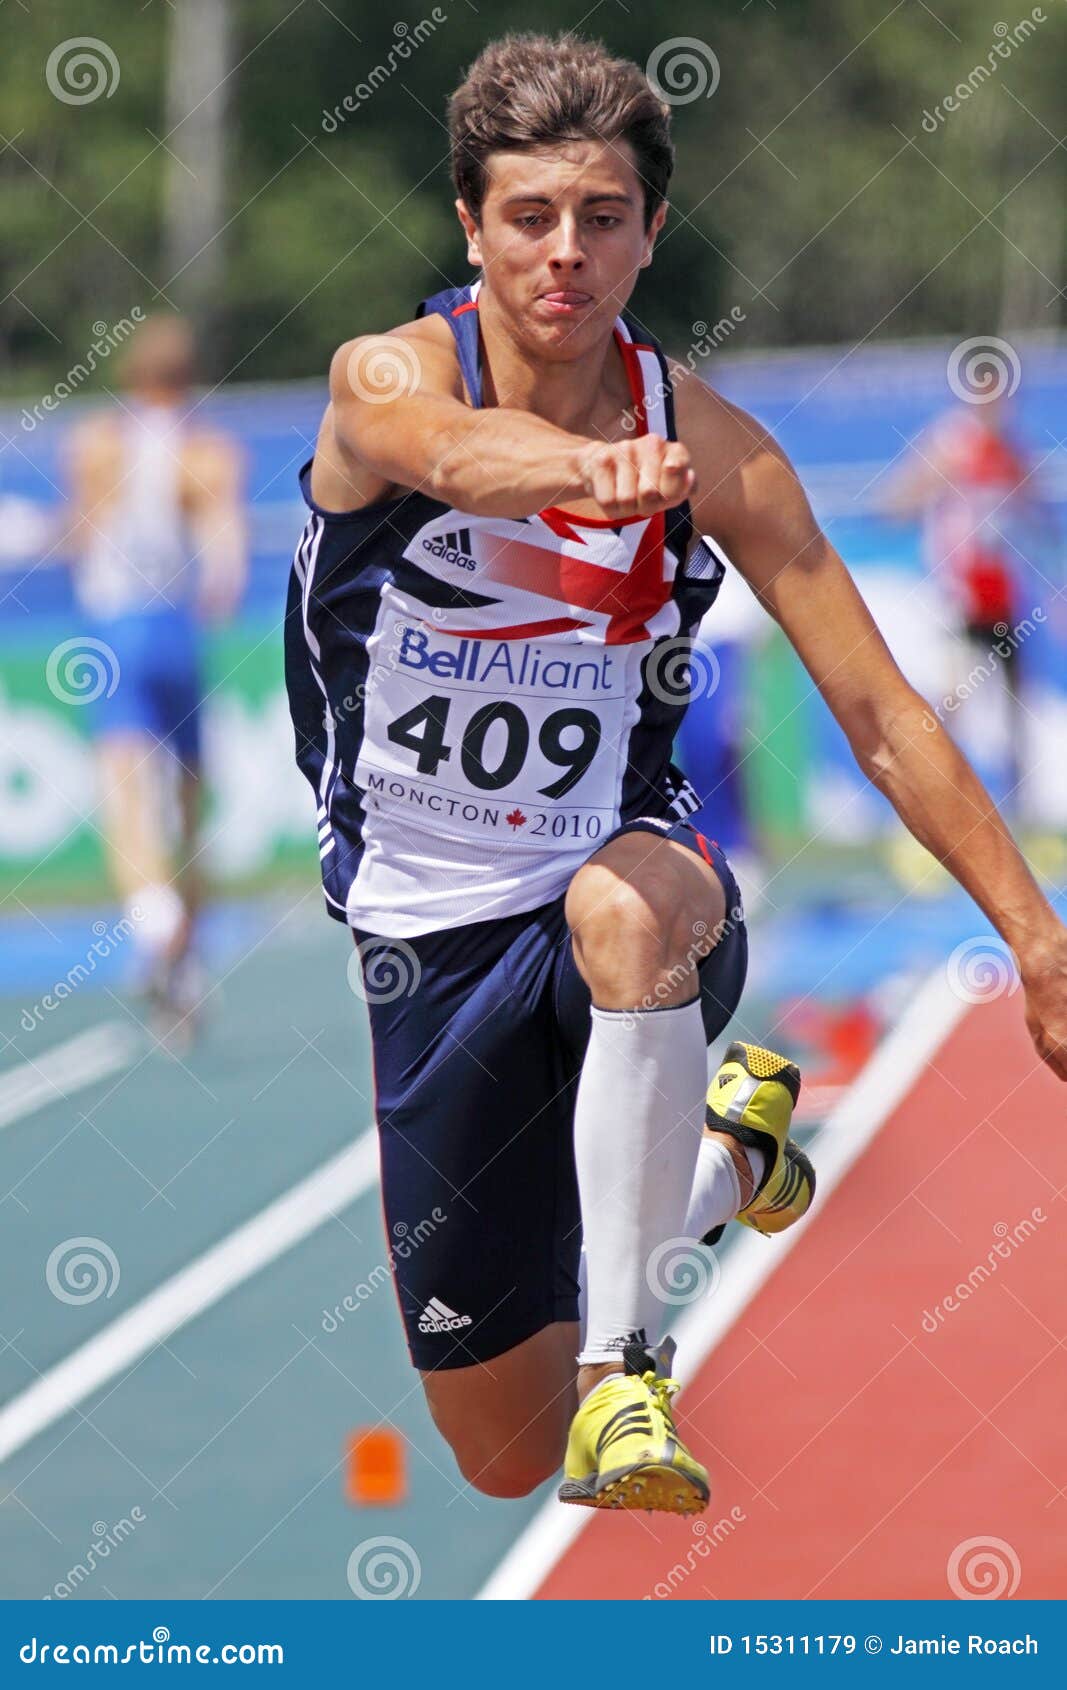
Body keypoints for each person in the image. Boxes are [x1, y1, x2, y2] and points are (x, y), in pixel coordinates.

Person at [285, 32, 1067, 1512]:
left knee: (630, 907)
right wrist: (588, 475)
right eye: (527, 217)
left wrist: (1035, 937)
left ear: (649, 230)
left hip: (623, 877)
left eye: (600, 216)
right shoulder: (384, 379)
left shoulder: (710, 445)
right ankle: (727, 1153)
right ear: (468, 225)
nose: (563, 254)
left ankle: (627, 1381)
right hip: (419, 933)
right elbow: (451, 455)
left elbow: (879, 708)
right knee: (499, 1460)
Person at [64, 313, 247, 1038]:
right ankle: (188, 958)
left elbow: (81, 533)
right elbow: (224, 542)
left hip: (117, 631)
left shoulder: (97, 442)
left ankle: (155, 920)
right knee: (188, 802)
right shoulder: (209, 450)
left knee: (125, 794)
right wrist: (222, 580)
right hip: (179, 630)